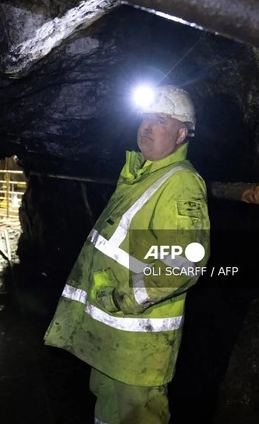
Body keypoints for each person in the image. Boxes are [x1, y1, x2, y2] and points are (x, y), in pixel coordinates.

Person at [44, 85, 210, 424]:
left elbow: (185, 262)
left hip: (139, 347)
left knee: (137, 416)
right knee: (107, 414)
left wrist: (124, 298)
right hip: (112, 339)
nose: (147, 127)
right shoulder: (141, 175)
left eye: (160, 121)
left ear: (181, 134)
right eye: (145, 118)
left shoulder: (180, 183)